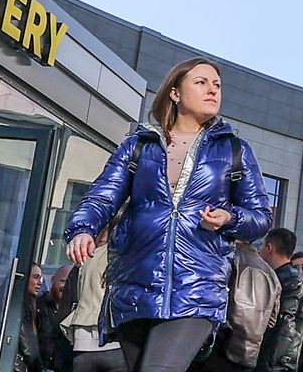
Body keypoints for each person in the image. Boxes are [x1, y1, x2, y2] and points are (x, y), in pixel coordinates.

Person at [64, 58, 272, 372]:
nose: (212, 90)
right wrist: (82, 229)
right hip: (134, 287)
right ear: (175, 93)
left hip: (197, 287)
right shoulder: (139, 146)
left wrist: (230, 218)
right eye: (201, 83)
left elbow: (260, 216)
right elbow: (102, 195)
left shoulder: (234, 150)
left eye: (217, 85)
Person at [210, 239, 283, 372]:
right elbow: (272, 321)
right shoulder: (272, 275)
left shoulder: (226, 258)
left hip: (220, 345)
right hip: (249, 353)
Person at [60, 235, 128, 372]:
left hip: (82, 340)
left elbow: (71, 299)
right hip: (115, 339)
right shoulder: (127, 254)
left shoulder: (87, 259)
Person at [257, 229, 303, 372]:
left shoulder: (290, 280)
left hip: (277, 361)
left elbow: (285, 324)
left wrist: (270, 363)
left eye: (261, 246)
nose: (259, 250)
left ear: (269, 247)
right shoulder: (285, 276)